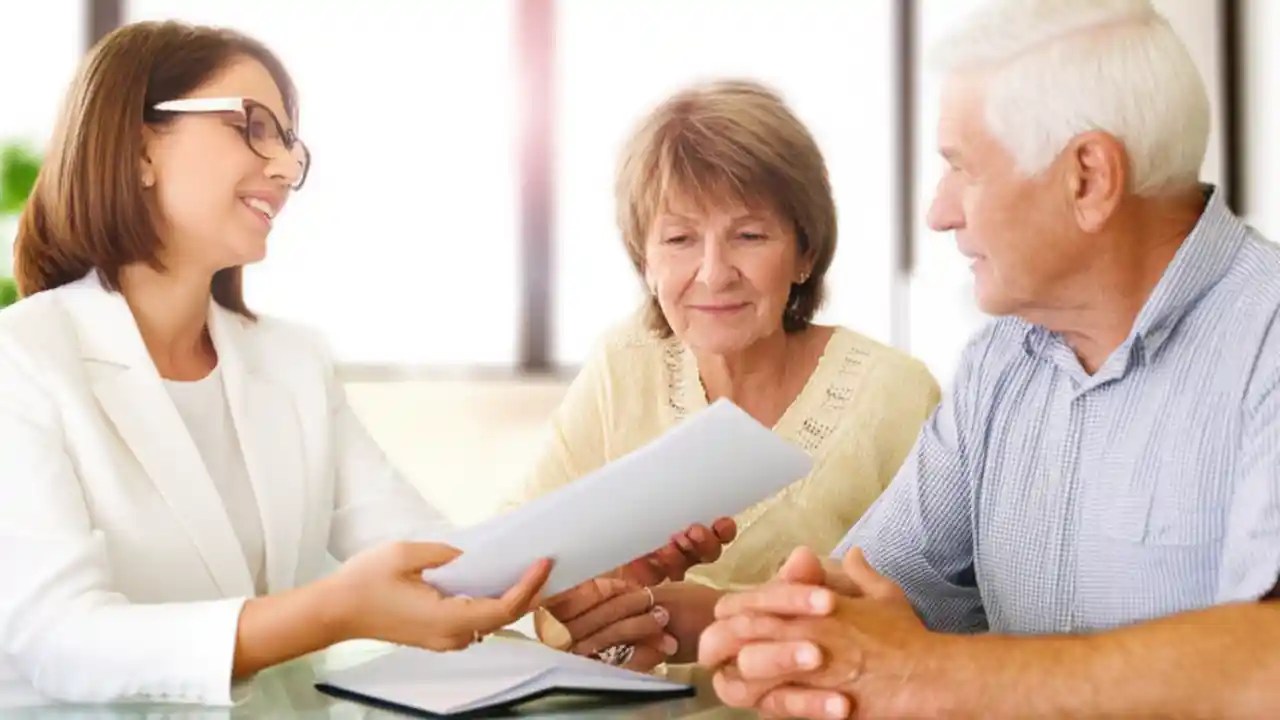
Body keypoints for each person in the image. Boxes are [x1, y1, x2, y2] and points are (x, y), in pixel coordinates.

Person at [0, 21, 718, 706]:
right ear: (138, 148)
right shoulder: (25, 359)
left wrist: (562, 578)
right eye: (253, 126)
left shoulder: (291, 362)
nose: (282, 166)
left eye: (288, 142)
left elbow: (423, 551)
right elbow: (62, 639)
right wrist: (330, 614)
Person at [694, 1, 1280, 717]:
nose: (939, 212)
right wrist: (764, 634)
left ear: (1089, 178)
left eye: (962, 169)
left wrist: (927, 675)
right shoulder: (1002, 361)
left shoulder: (1267, 337)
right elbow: (865, 589)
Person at [505, 80, 940, 670]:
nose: (713, 273)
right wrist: (605, 593)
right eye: (680, 239)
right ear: (645, 259)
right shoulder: (622, 365)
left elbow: (929, 627)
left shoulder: (896, 395)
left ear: (804, 252)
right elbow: (518, 564)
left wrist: (716, 615)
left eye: (749, 236)